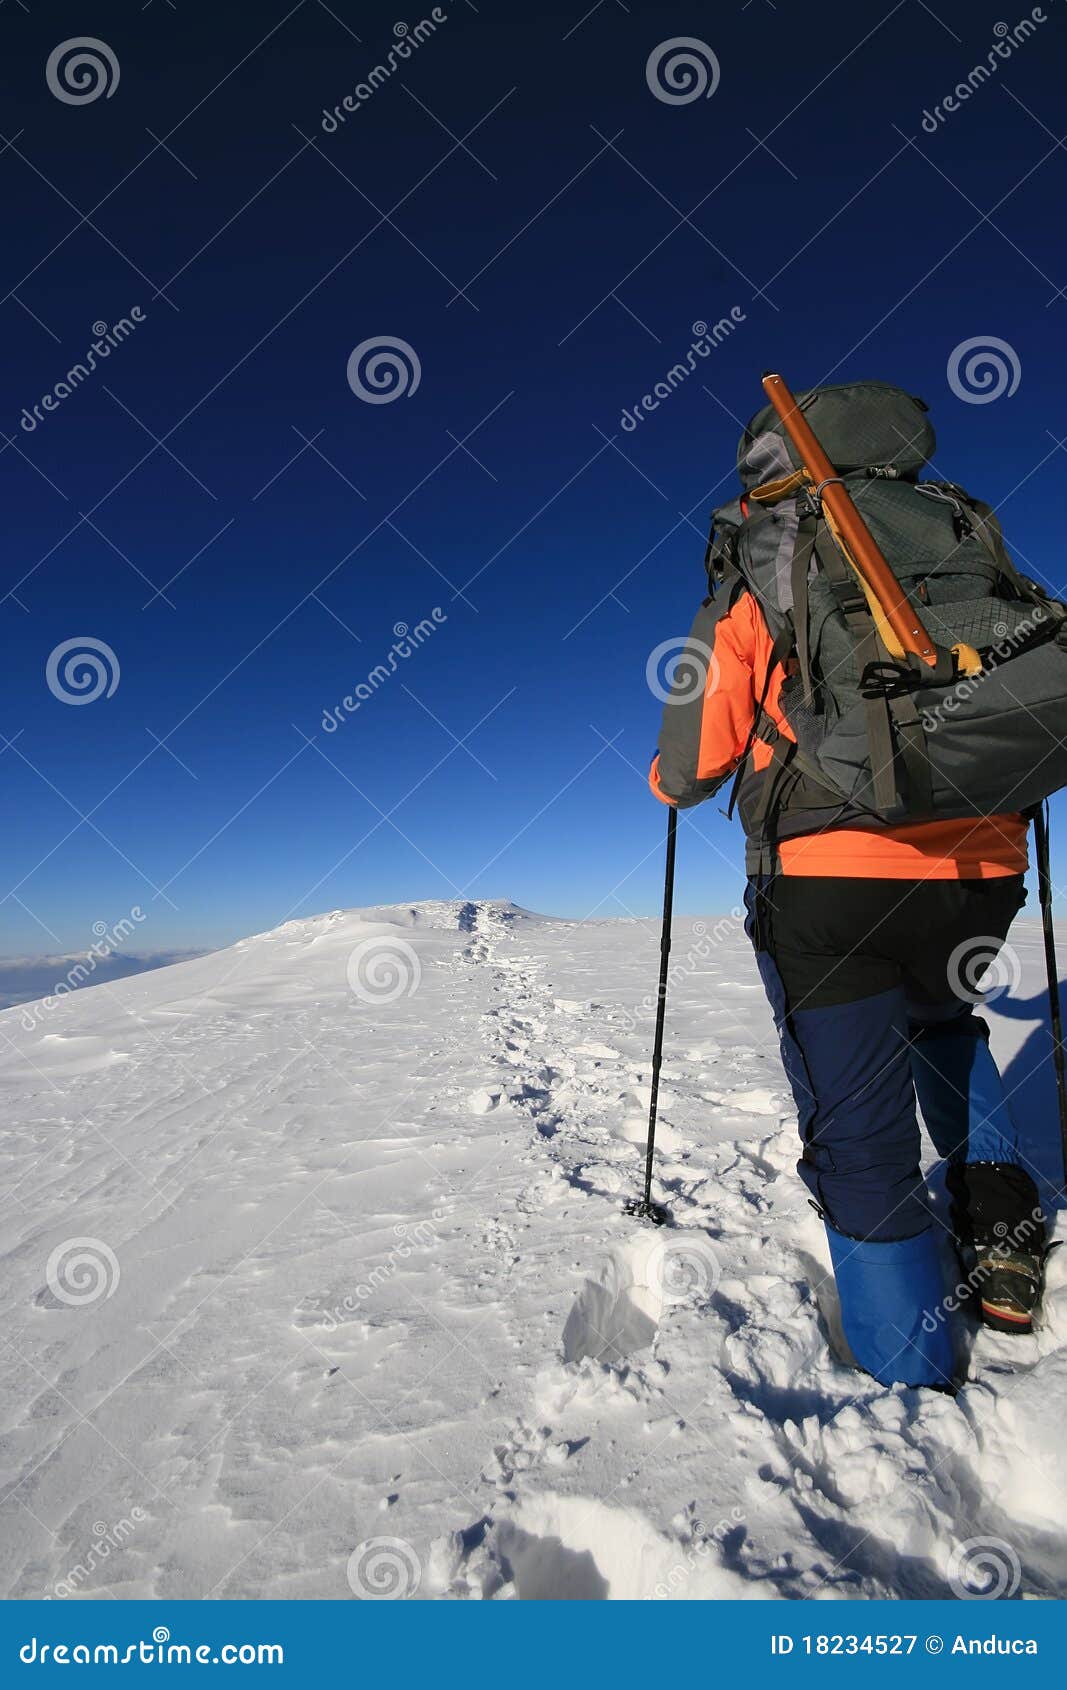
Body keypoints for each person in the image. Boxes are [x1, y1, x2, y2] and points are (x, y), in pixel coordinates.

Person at [649, 453, 1047, 1394]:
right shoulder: (953, 538)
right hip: (982, 872)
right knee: (945, 1027)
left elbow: (693, 762)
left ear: (760, 484)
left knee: (859, 1130)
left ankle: (909, 1364)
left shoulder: (766, 563)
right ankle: (1001, 1236)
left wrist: (669, 778)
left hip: (829, 884)